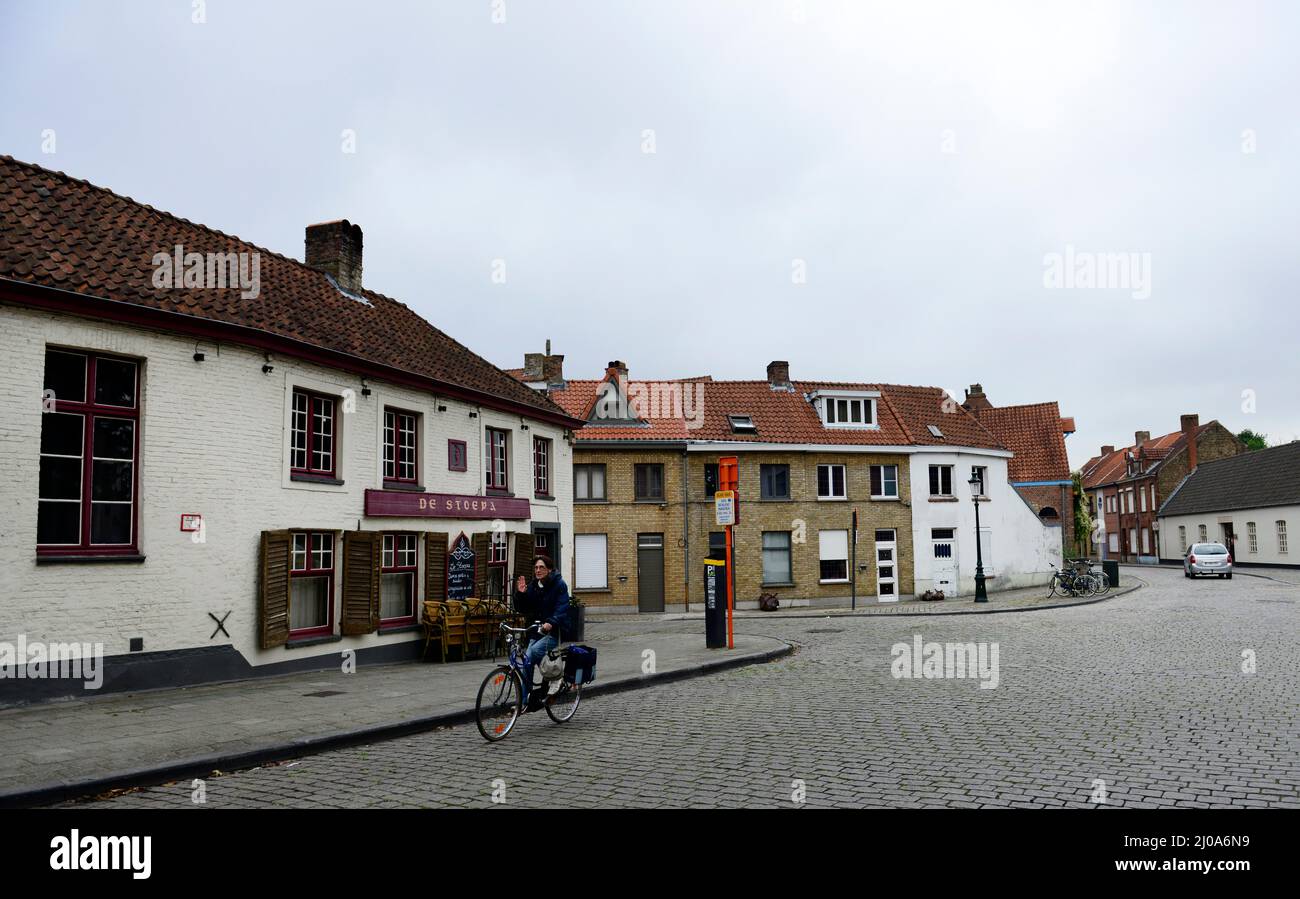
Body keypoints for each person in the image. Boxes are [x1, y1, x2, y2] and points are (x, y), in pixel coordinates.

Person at [512, 554, 571, 711]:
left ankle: (555, 679)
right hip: (537, 631)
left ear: (549, 569)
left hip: (555, 632)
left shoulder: (559, 585)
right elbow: (524, 608)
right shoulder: (534, 585)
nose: (538, 570)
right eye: (536, 567)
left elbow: (563, 607)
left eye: (541, 567)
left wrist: (551, 622)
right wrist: (522, 594)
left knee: (530, 657)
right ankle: (526, 699)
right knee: (527, 662)